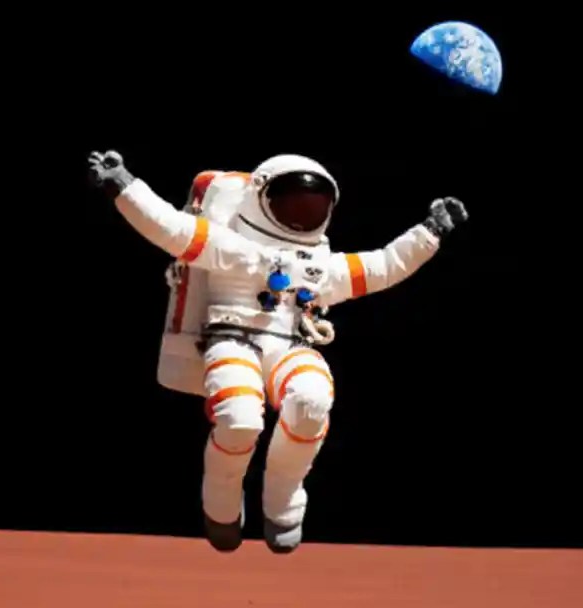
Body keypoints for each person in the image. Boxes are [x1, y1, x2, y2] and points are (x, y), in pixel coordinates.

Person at [87, 149, 467, 553]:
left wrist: (430, 231)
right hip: (231, 338)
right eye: (289, 201)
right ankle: (221, 508)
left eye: (313, 204)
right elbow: (169, 226)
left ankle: (284, 501)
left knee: (312, 402)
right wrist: (123, 184)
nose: (301, 211)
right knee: (239, 418)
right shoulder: (228, 244)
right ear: (259, 197)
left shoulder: (321, 265)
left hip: (291, 342)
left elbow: (384, 265)